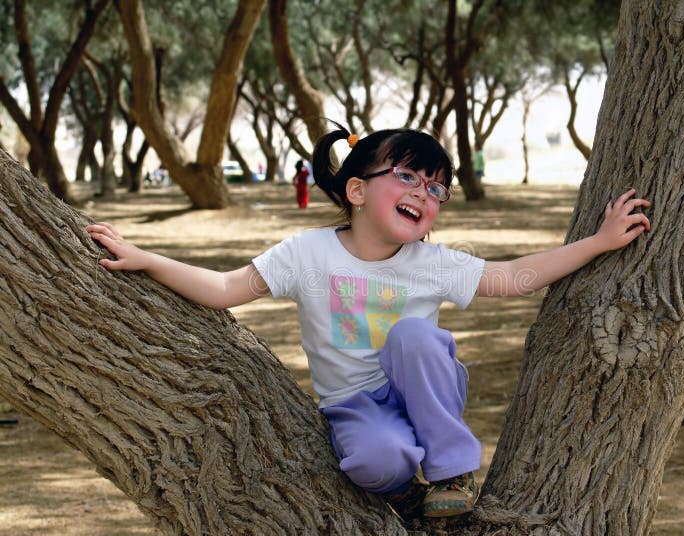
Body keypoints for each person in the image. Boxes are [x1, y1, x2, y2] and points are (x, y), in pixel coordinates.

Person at [85, 123, 650, 521]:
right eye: (408, 177)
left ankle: (452, 472)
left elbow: (514, 277)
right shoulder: (305, 255)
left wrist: (598, 243)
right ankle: (408, 495)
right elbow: (227, 289)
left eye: (436, 189)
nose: (424, 194)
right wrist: (149, 259)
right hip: (352, 405)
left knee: (412, 336)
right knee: (374, 461)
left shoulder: (432, 264)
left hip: (421, 390)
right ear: (356, 190)